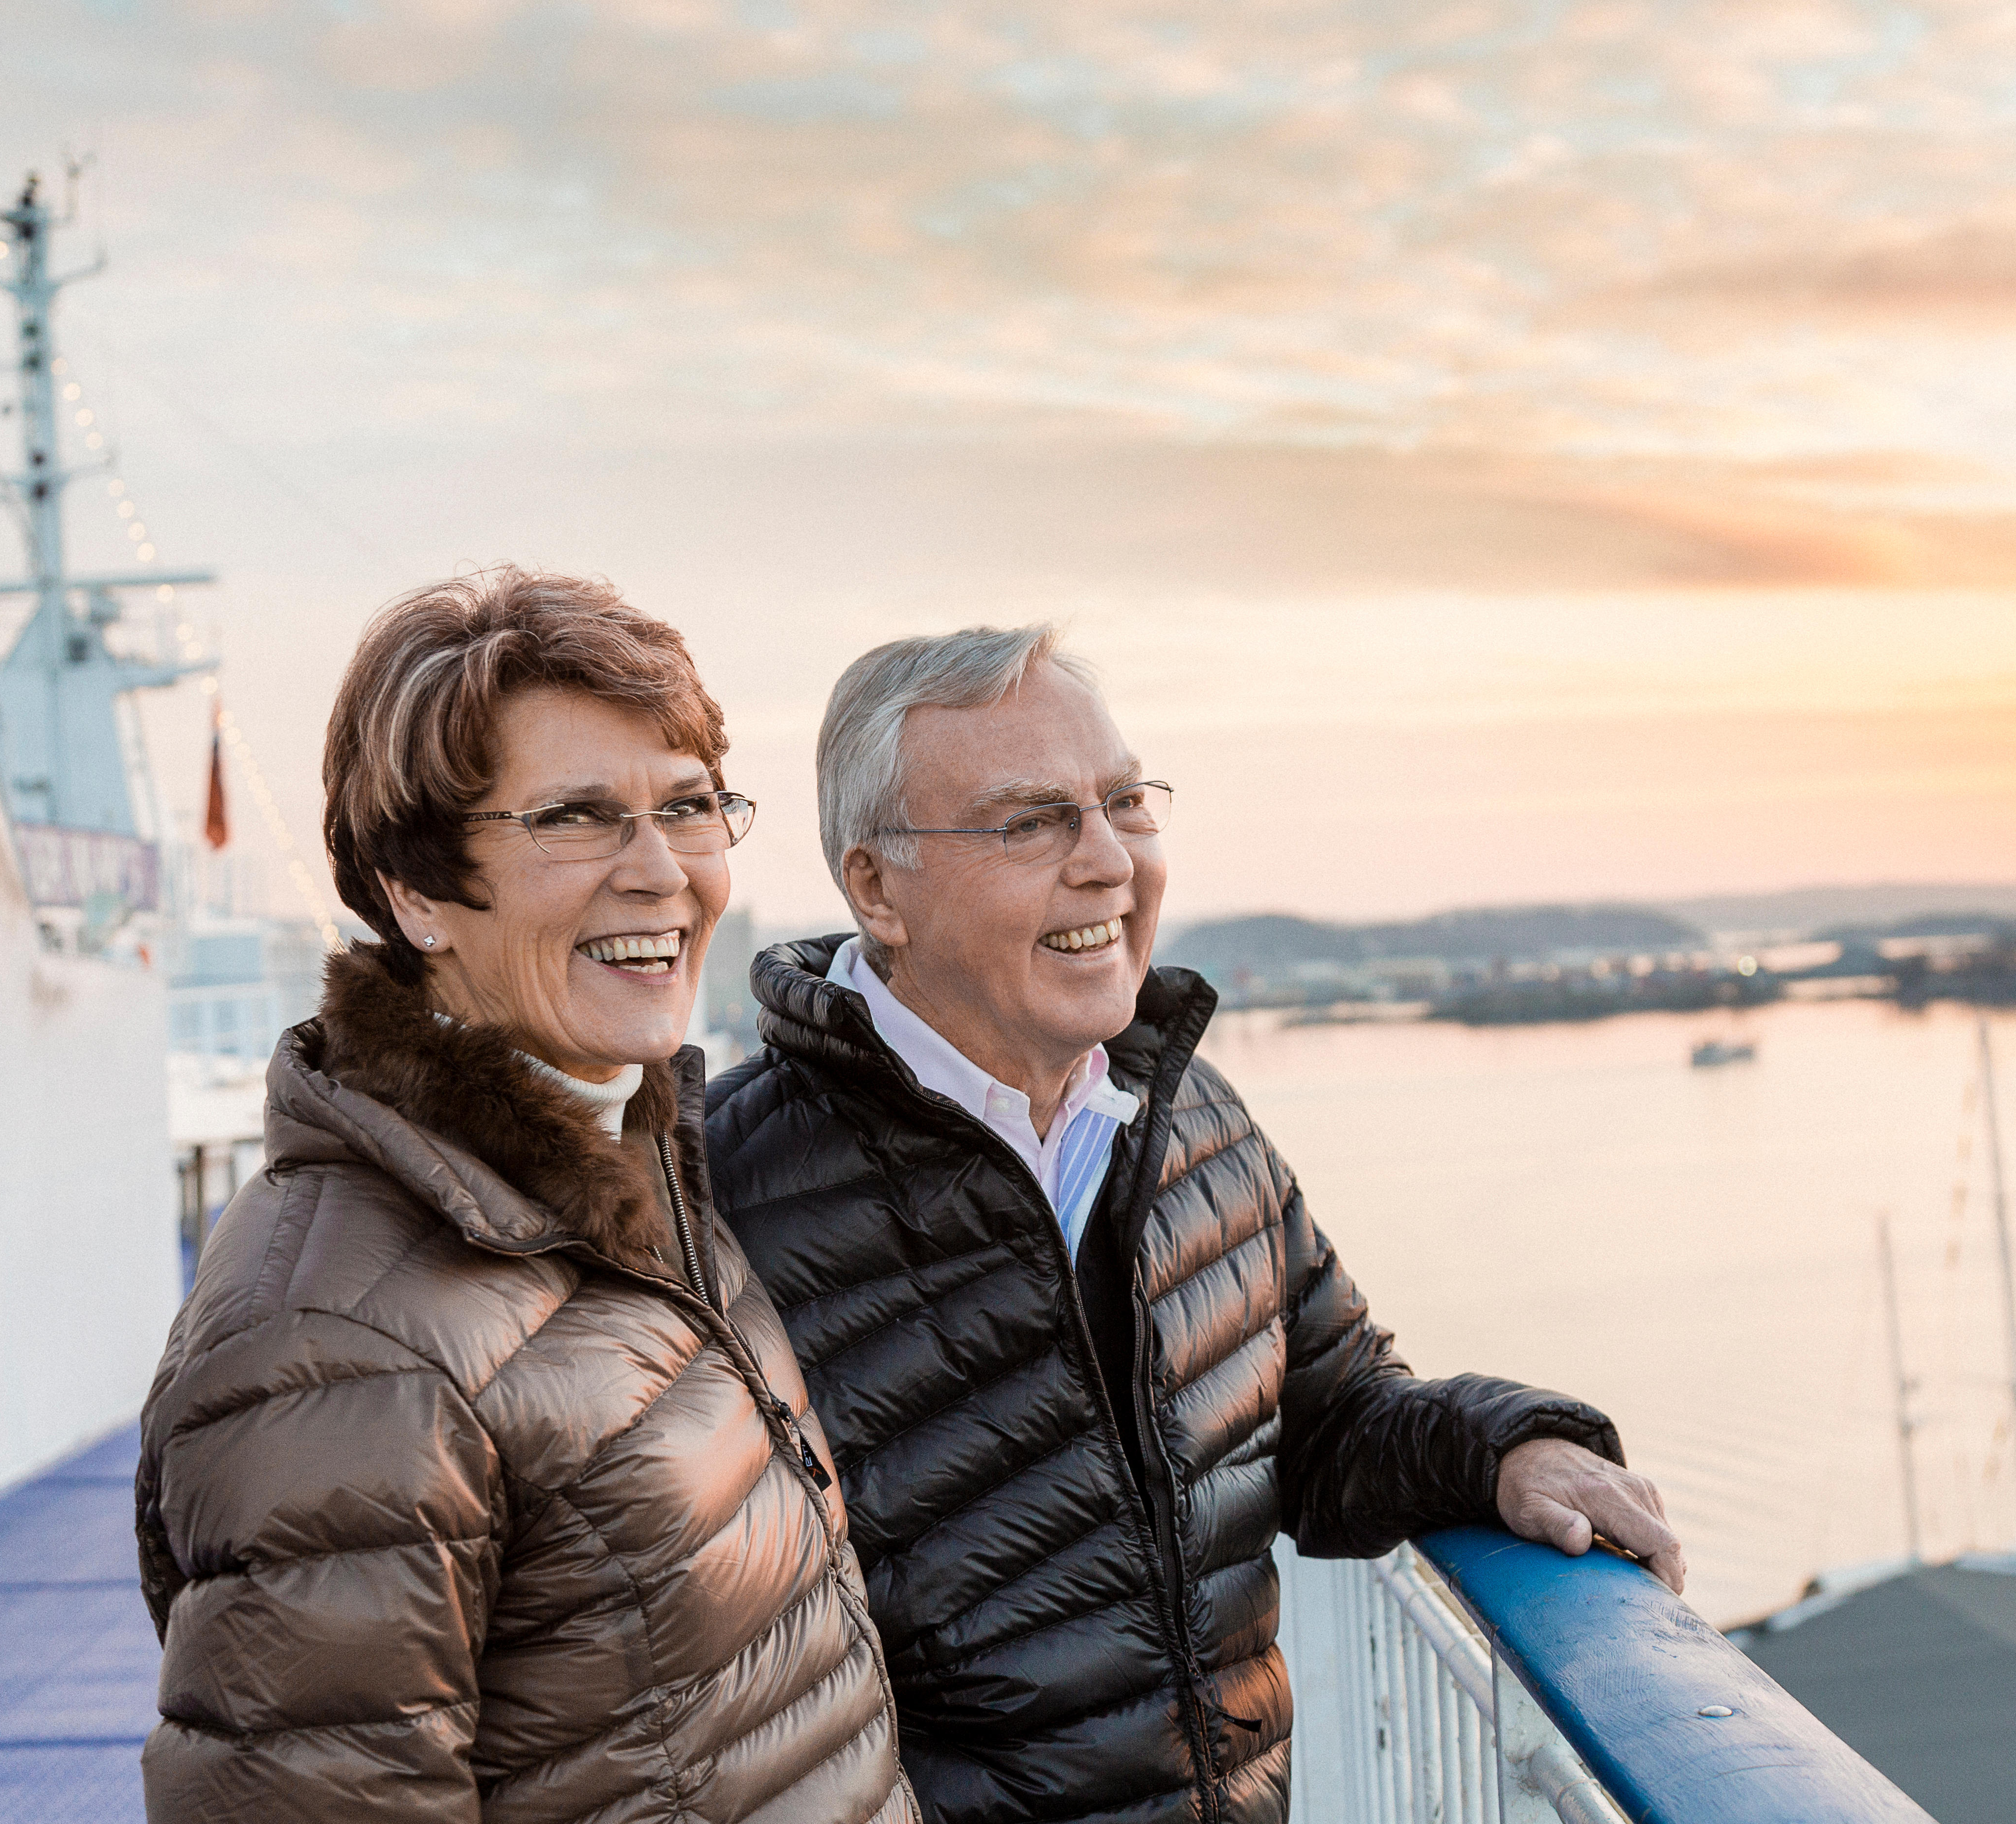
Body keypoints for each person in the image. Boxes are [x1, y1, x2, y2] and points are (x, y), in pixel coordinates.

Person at [704, 626, 1685, 1824]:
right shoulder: (720, 1199)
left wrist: (1502, 1450)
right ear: (875, 889)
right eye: (1033, 821)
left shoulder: (1192, 1121)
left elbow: (1329, 1428)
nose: (1110, 860)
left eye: (1125, 803)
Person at [136, 568, 916, 1824]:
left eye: (689, 806)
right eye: (576, 818)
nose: (663, 873)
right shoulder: (338, 1348)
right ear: (417, 892)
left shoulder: (630, 1161)